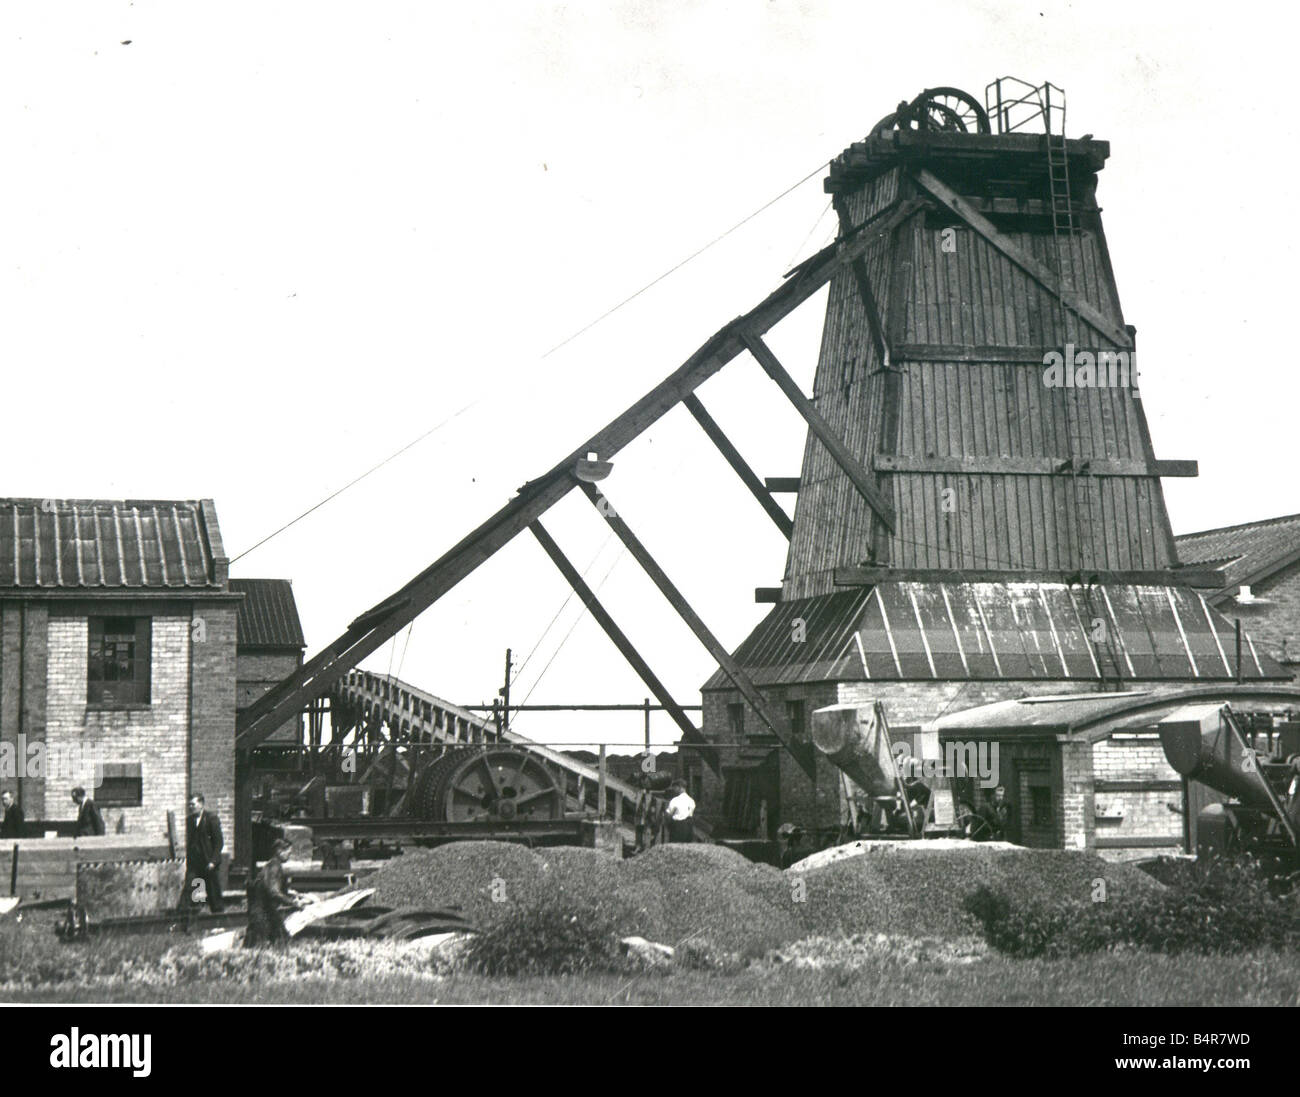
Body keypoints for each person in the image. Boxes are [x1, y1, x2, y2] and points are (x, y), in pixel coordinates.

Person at [244, 838, 304, 947]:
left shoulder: (270, 865)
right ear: (280, 851)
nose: (289, 856)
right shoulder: (275, 867)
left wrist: (290, 893)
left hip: (262, 910)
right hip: (263, 912)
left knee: (279, 939)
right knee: (266, 943)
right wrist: (293, 903)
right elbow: (274, 892)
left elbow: (269, 887)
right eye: (288, 853)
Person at [184, 793, 225, 913]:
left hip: (209, 863)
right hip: (195, 864)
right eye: (189, 805)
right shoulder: (189, 821)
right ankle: (196, 918)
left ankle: (218, 918)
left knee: (213, 892)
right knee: (193, 890)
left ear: (201, 804)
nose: (191, 807)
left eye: (193, 804)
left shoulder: (211, 818)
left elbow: (219, 842)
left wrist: (213, 861)